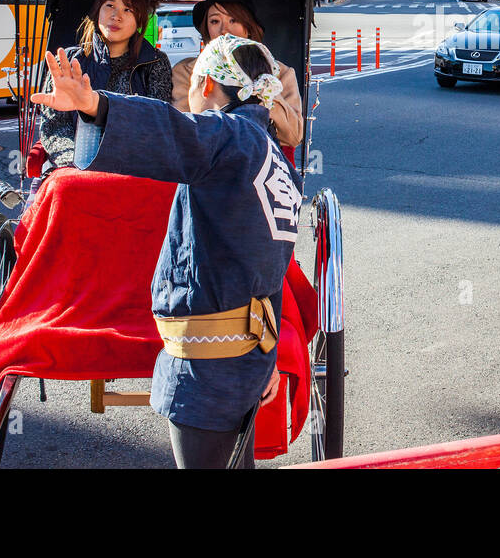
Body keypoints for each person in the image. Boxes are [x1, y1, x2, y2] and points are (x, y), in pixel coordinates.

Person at [32, 34, 299, 468]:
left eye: (193, 82)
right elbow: (269, 266)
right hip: (246, 360)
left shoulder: (228, 136)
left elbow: (170, 128)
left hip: (204, 371)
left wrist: (94, 105)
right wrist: (268, 355)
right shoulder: (274, 159)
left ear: (207, 84)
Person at [38, 0, 172, 169]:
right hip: (74, 167)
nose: (116, 16)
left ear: (140, 19)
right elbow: (54, 127)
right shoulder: (68, 61)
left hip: (132, 167)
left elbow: (155, 123)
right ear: (97, 10)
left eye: (128, 9)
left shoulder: (154, 63)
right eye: (110, 6)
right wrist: (73, 164)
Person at [170, 0, 304, 153]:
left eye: (233, 20)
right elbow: (183, 129)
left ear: (248, 27)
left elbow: (293, 136)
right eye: (214, 21)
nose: (224, 30)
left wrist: (262, 85)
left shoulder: (279, 72)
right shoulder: (186, 71)